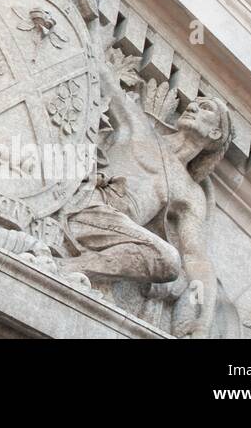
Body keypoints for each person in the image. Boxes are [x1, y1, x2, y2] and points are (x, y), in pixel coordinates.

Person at [59, 64, 232, 337]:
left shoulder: (189, 192)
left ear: (215, 134)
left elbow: (194, 254)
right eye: (194, 103)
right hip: (85, 205)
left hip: (115, 231)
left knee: (167, 259)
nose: (194, 107)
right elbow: (104, 79)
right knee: (165, 256)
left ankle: (66, 269)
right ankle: (67, 268)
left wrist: (204, 316)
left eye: (206, 108)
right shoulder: (141, 129)